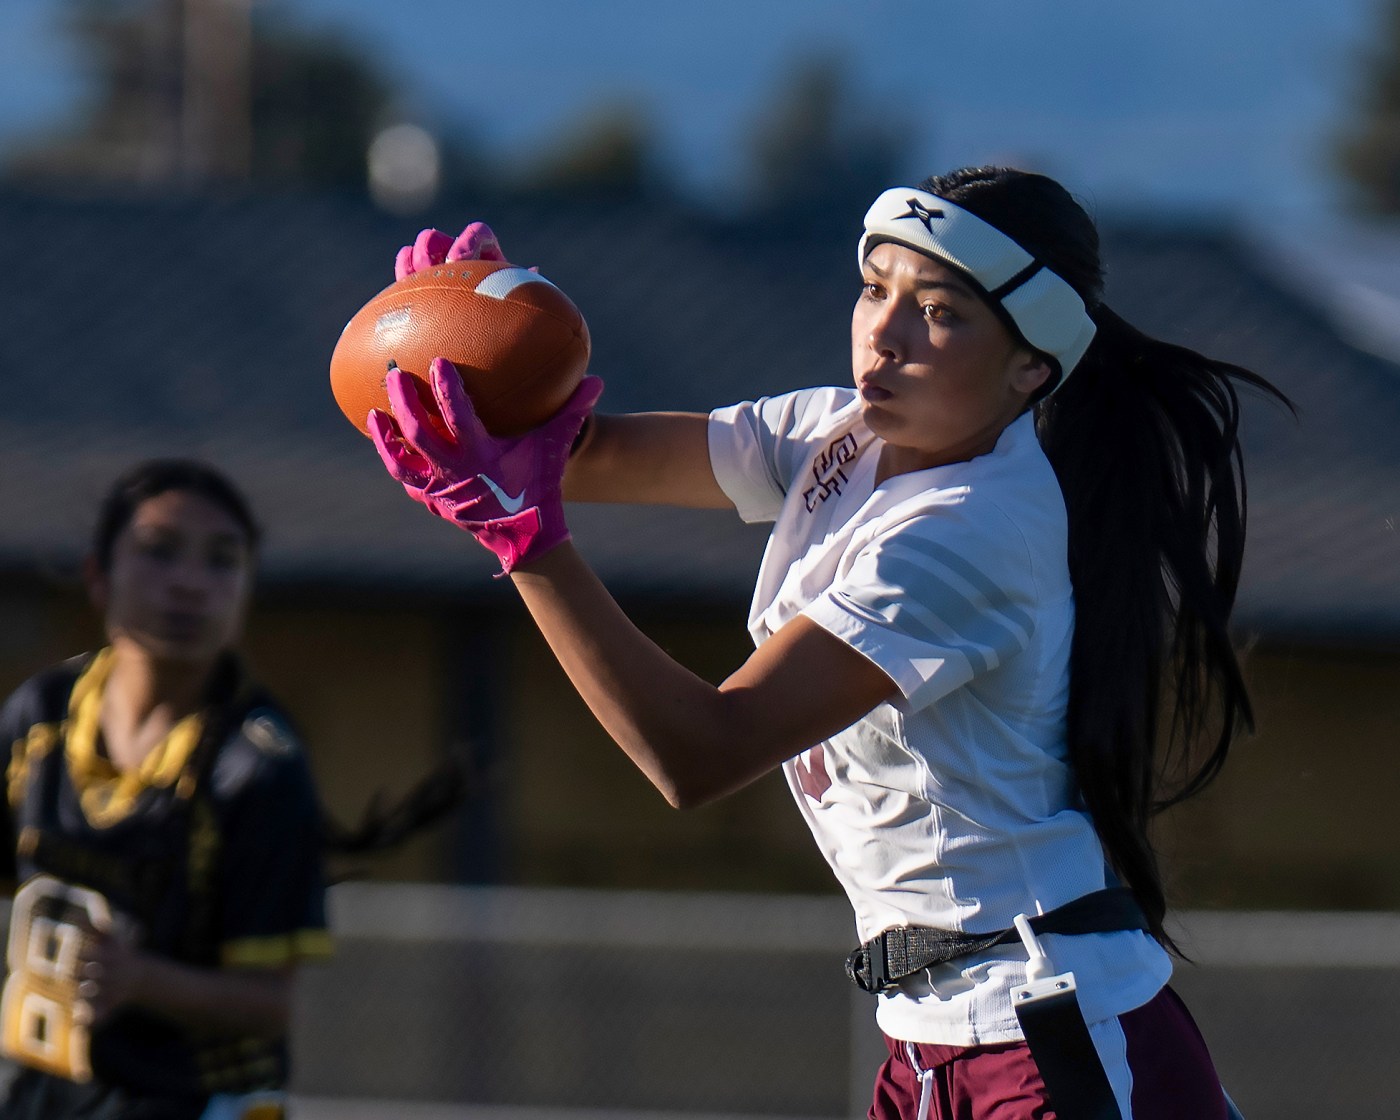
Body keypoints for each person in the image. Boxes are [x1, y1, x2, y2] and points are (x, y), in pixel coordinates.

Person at [370, 168, 1287, 1119]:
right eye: (875, 288)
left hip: (1045, 1034)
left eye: (938, 311)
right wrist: (468, 356)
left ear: (1031, 365)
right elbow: (581, 454)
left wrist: (525, 544)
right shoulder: (839, 436)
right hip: (939, 1038)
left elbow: (700, 751)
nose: (884, 333)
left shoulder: (969, 528)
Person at [0, 460, 329, 1120]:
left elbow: (271, 1002)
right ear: (98, 575)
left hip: (197, 1099)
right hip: (41, 1091)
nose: (189, 583)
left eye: (222, 561)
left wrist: (140, 979)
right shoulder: (41, 714)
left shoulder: (258, 767)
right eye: (159, 551)